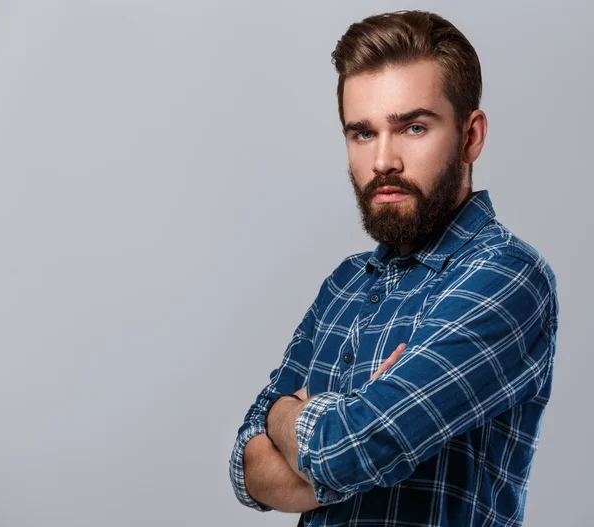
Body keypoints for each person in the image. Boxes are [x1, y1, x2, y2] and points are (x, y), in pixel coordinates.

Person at [228, 9, 559, 527]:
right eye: (362, 133)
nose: (384, 160)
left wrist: (286, 415)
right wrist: (334, 429)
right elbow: (246, 467)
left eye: (413, 127)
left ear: (471, 136)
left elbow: (350, 452)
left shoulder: (506, 276)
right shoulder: (344, 284)